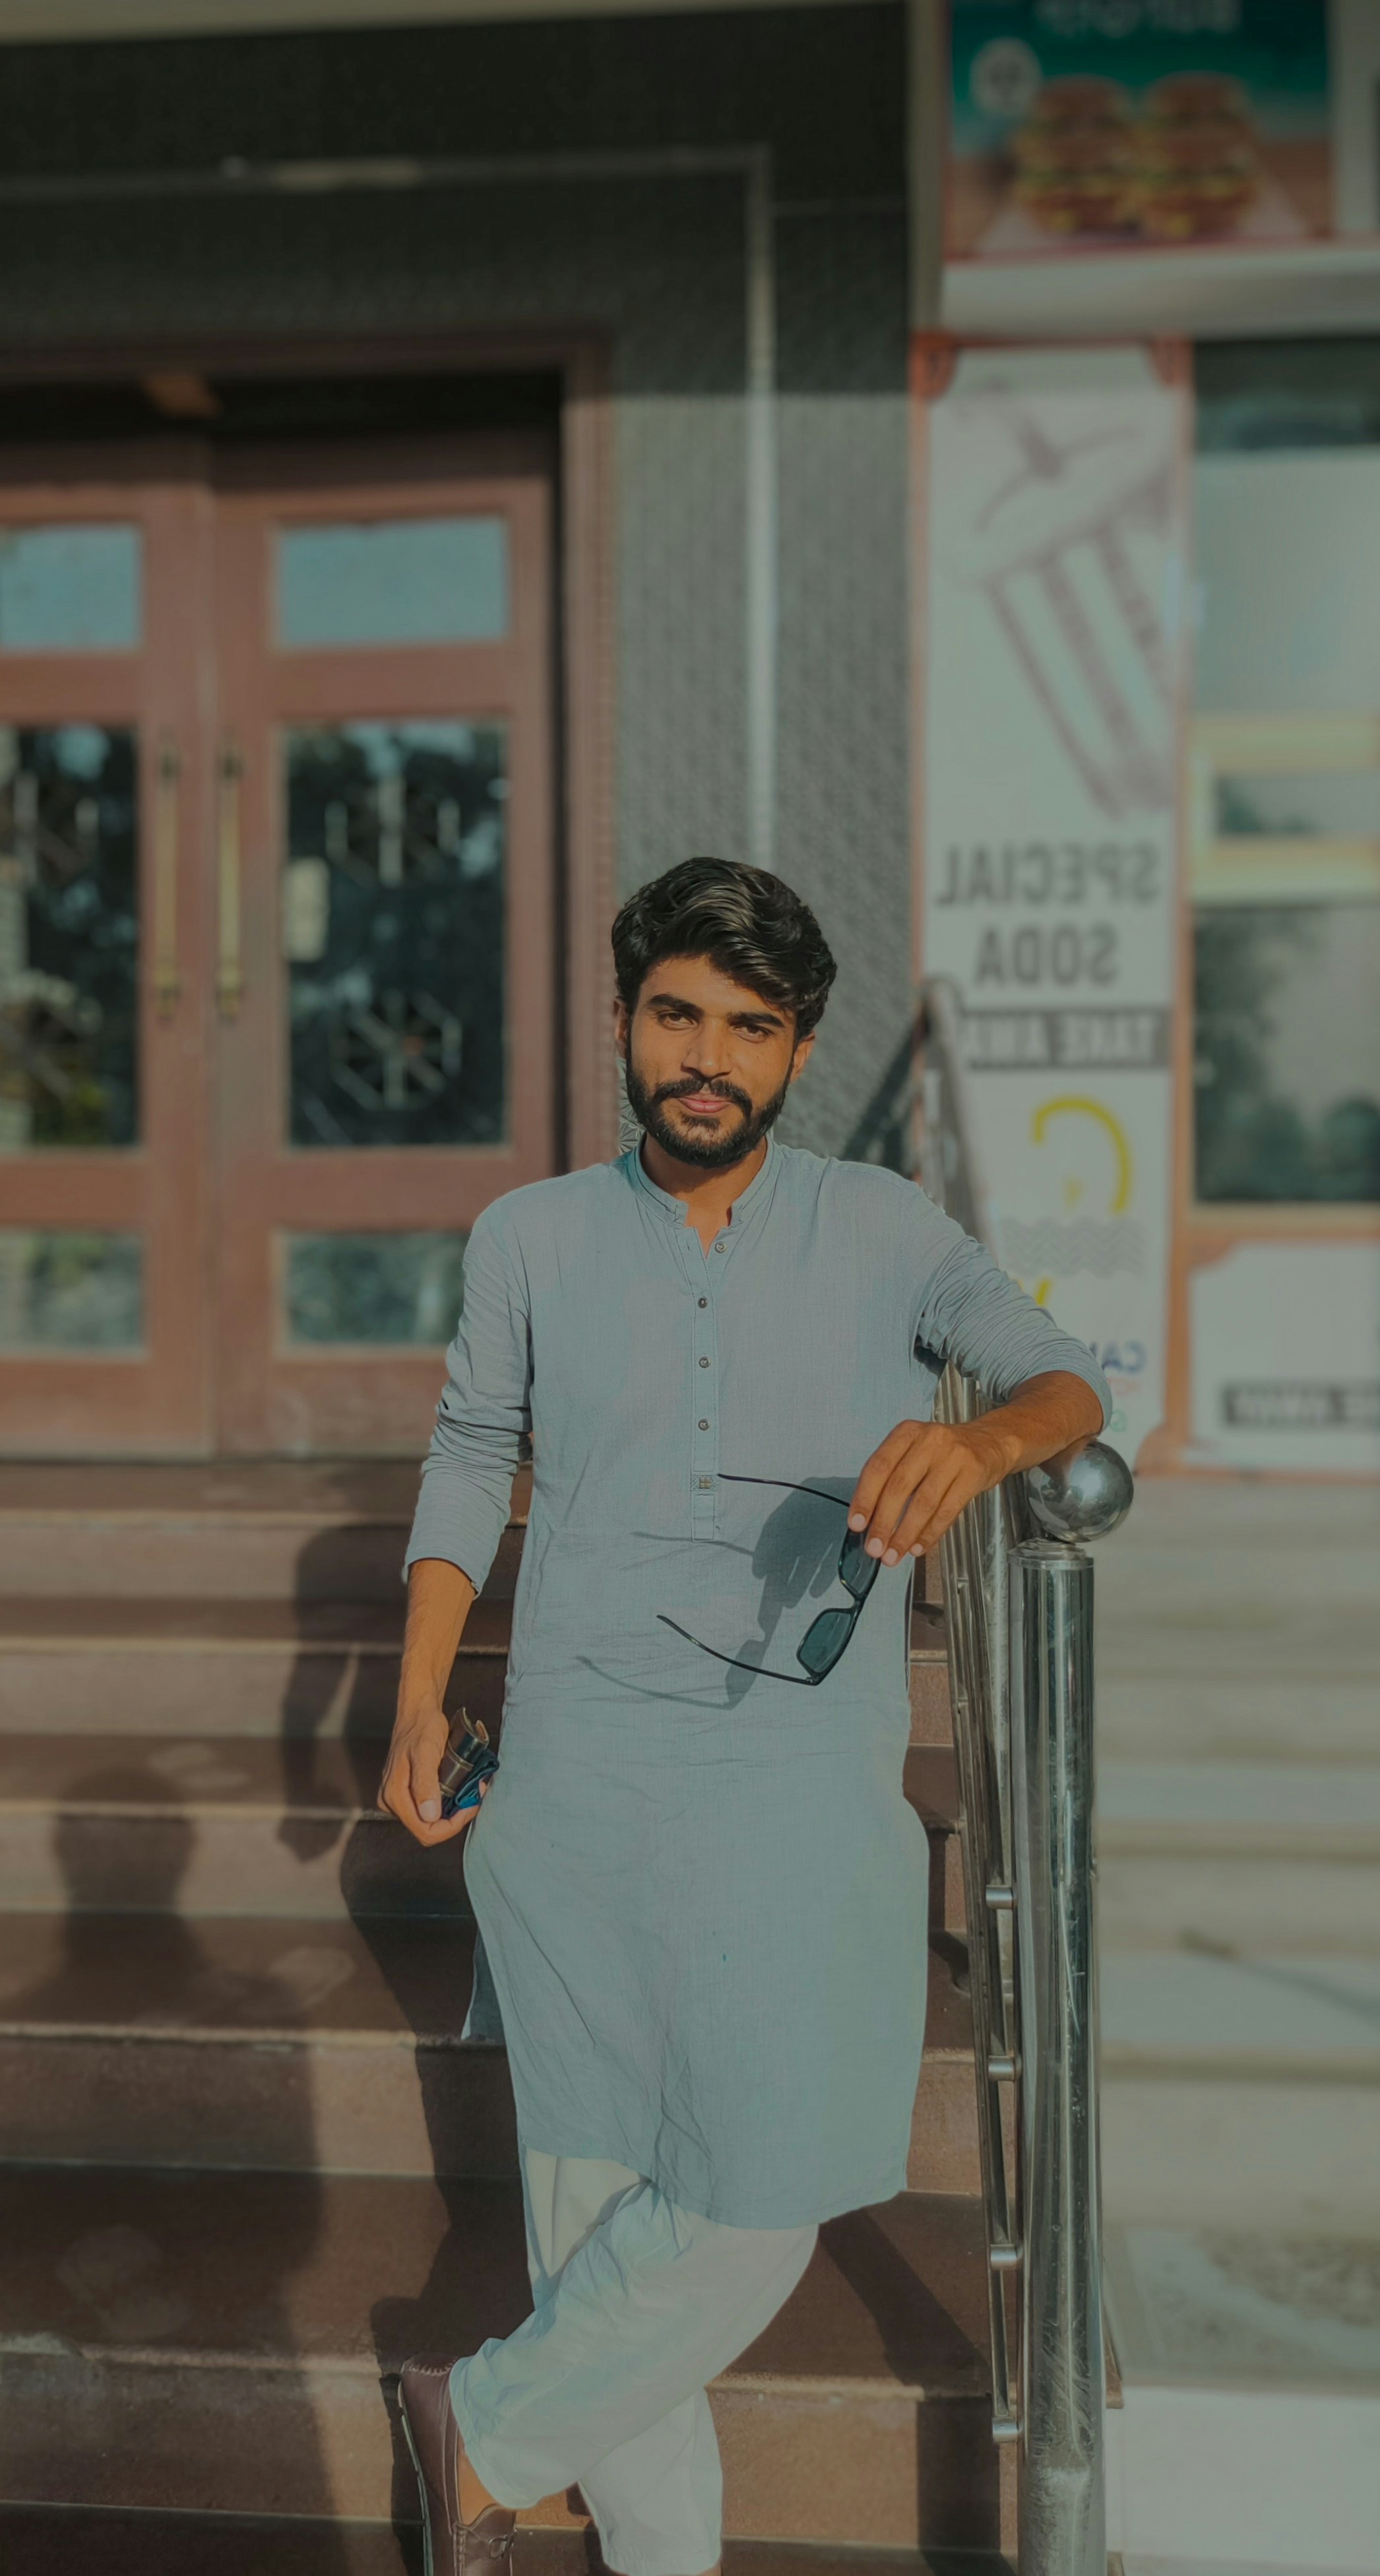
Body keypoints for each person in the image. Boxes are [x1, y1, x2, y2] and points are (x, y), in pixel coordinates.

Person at [381, 858, 1109, 2576]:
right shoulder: (532, 1237)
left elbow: (1061, 1374)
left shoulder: (881, 1229)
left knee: (758, 2200)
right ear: (628, 1018)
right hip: (569, 1778)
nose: (706, 1055)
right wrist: (424, 1690)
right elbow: (474, 1452)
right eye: (676, 1014)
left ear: (799, 1051)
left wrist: (984, 1445)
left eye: (749, 1028)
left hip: (794, 1783)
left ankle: (475, 2429)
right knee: (593, 2240)